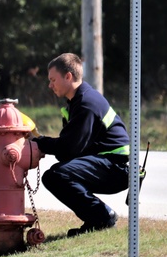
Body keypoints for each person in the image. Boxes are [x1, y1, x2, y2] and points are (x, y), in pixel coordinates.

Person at [31, 53, 130, 237]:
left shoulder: (86, 104)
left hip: (115, 168)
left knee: (56, 176)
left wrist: (39, 142)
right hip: (106, 163)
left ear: (68, 76)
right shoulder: (78, 101)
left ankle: (102, 217)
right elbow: (68, 150)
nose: (50, 85)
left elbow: (68, 149)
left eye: (53, 80)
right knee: (57, 175)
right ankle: (96, 219)